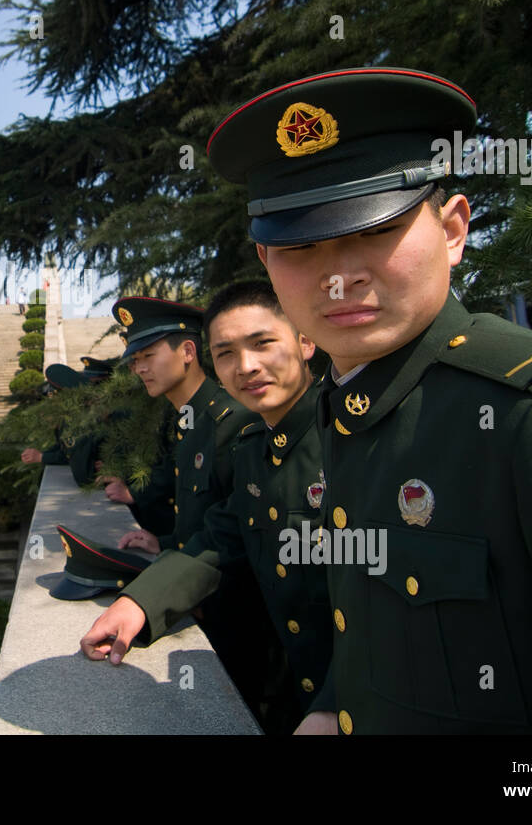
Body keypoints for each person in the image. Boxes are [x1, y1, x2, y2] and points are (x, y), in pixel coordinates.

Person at [206, 66, 532, 734]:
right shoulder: (350, 410)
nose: (339, 275)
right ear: (265, 258)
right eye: (302, 244)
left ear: (455, 228)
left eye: (375, 229)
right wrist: (331, 711)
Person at [81, 282, 332, 734]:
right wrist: (141, 602)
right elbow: (223, 534)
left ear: (306, 340)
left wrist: (338, 703)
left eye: (262, 343)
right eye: (227, 354)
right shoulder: (258, 447)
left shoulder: (349, 438)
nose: (247, 367)